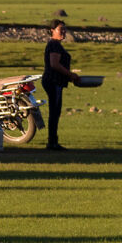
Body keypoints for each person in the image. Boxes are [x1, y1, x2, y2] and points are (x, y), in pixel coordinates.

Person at [42, 21, 76, 150]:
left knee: (55, 111)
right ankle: (52, 142)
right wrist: (70, 74)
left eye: (64, 29)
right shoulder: (54, 45)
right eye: (60, 29)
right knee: (54, 111)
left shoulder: (55, 44)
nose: (63, 32)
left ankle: (53, 141)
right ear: (52, 30)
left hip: (55, 81)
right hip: (53, 81)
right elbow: (54, 64)